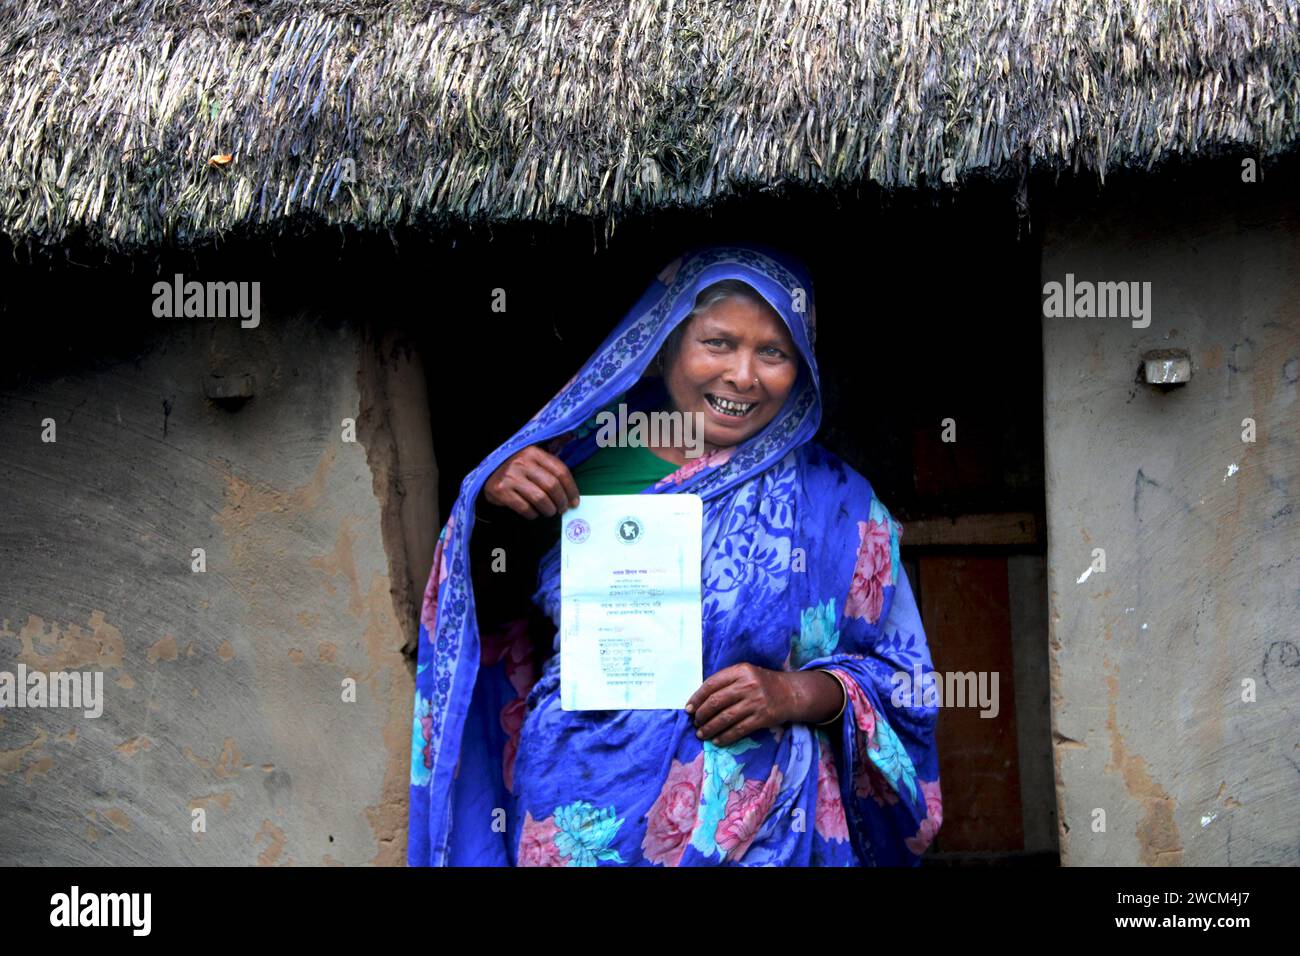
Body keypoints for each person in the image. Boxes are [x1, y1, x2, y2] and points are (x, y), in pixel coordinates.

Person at [409, 243, 942, 866]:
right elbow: (478, 622)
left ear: (802, 366)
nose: (743, 376)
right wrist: (489, 502)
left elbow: (904, 685)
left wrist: (793, 694)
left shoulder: (836, 504)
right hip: (584, 811)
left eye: (773, 352)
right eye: (718, 343)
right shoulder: (572, 465)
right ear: (664, 345)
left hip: (760, 822)